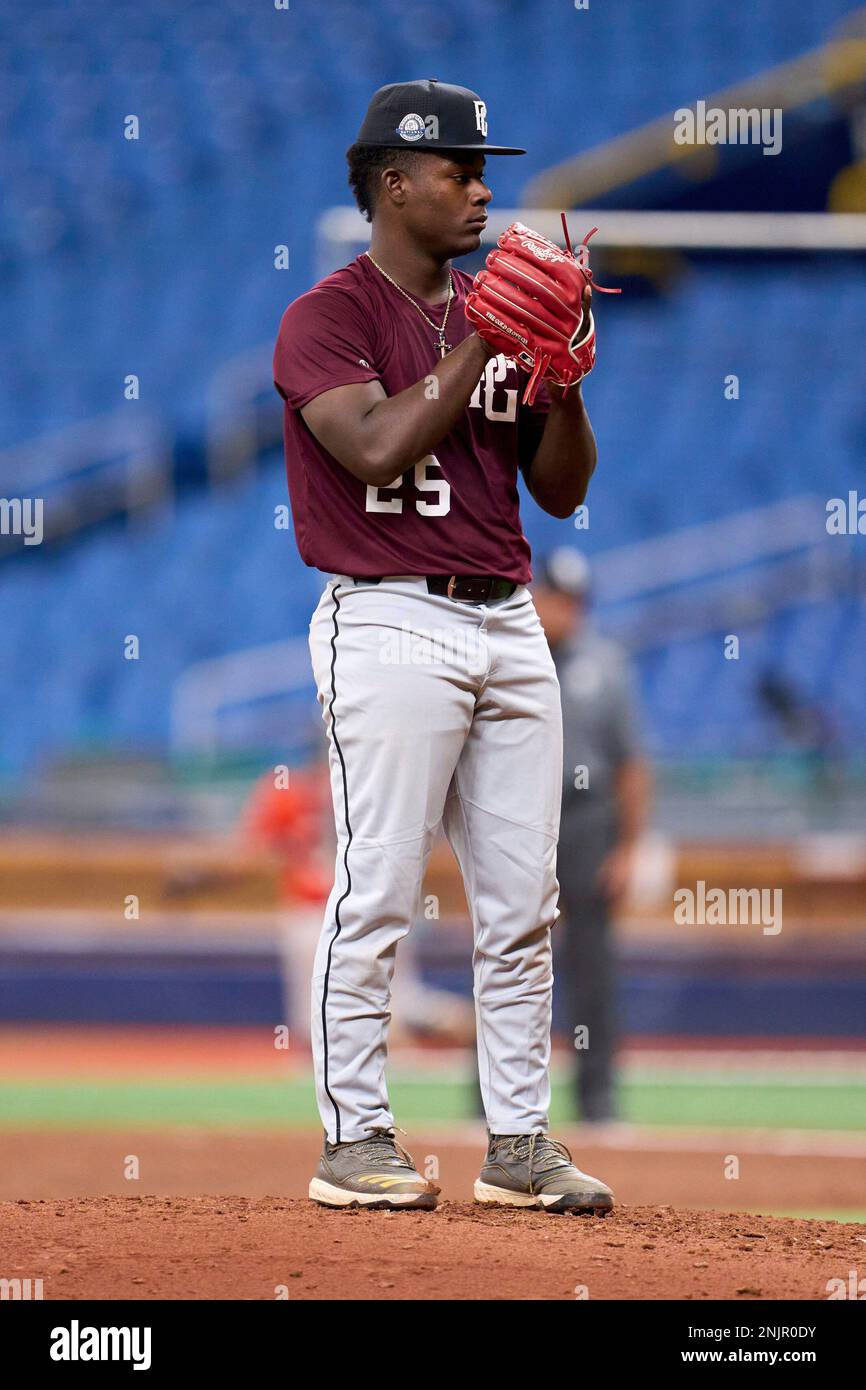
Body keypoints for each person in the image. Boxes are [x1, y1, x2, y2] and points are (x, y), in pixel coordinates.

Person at [272, 78, 614, 1214]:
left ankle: (517, 1142)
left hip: (508, 615)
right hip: (387, 614)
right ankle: (353, 1135)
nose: (480, 187)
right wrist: (479, 340)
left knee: (524, 901)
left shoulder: (496, 310)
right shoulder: (325, 315)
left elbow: (561, 493)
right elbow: (373, 448)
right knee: (376, 889)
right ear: (389, 183)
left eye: (482, 169)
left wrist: (558, 381)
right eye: (458, 169)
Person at [532, 549, 652, 1126]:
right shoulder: (509, 658)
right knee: (509, 955)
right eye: (557, 598)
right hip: (524, 819)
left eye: (576, 602)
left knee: (594, 967)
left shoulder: (605, 666)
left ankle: (597, 1100)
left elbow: (631, 764)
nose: (566, 612)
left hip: (586, 823)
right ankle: (494, 1104)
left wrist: (629, 848)